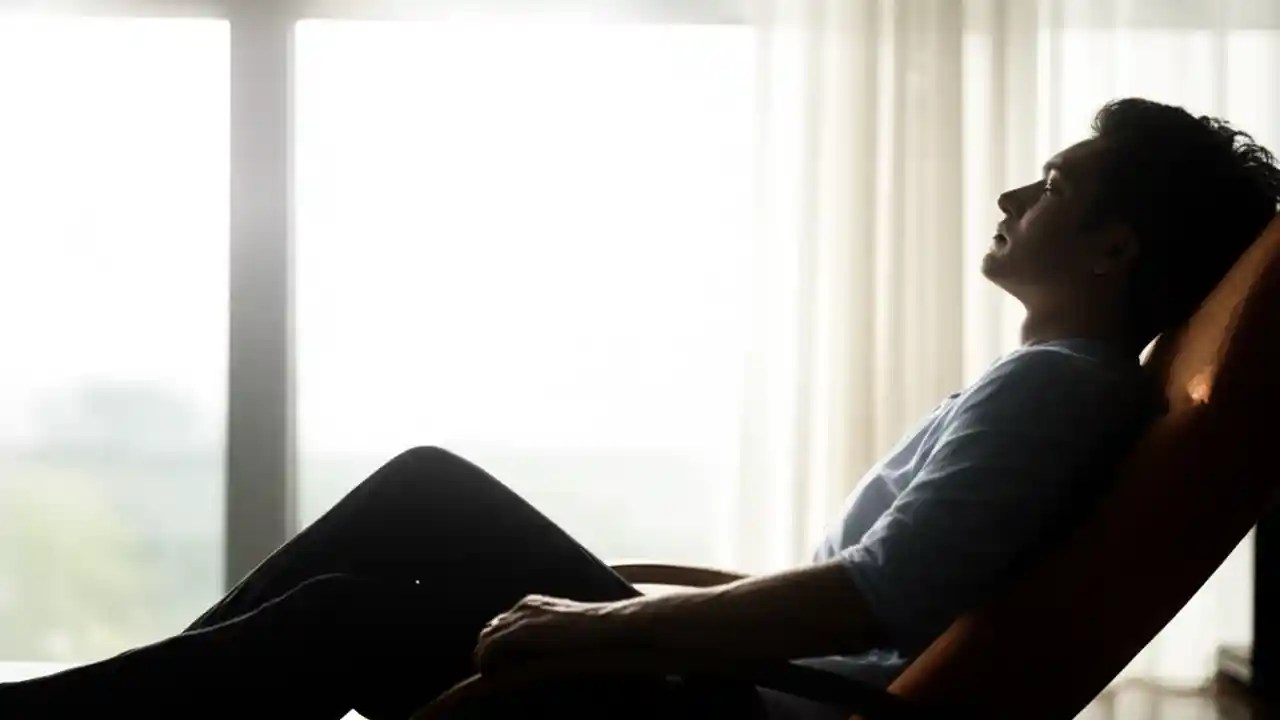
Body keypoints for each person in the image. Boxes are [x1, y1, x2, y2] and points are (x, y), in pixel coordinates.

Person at [3, 98, 1278, 720]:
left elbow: (872, 599)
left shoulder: (1058, 388)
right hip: (749, 684)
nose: (1010, 196)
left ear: (1112, 248)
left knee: (356, 601)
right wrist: (611, 617)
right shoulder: (1060, 386)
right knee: (422, 498)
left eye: (1050, 183)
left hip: (752, 709)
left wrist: (598, 626)